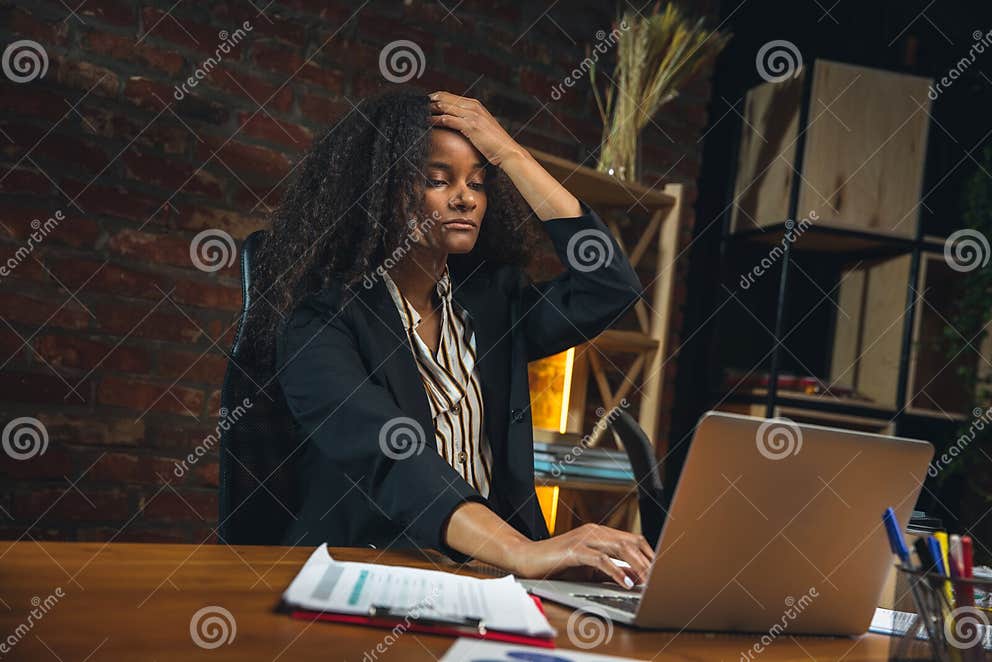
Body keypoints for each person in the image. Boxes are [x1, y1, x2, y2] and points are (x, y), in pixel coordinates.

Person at [245, 86, 654, 589]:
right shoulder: (320, 326)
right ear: (382, 191)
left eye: (480, 184)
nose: (465, 198)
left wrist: (511, 153)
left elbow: (609, 285)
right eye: (438, 180)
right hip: (377, 574)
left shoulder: (493, 304)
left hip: (501, 579)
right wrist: (523, 552)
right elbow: (396, 458)